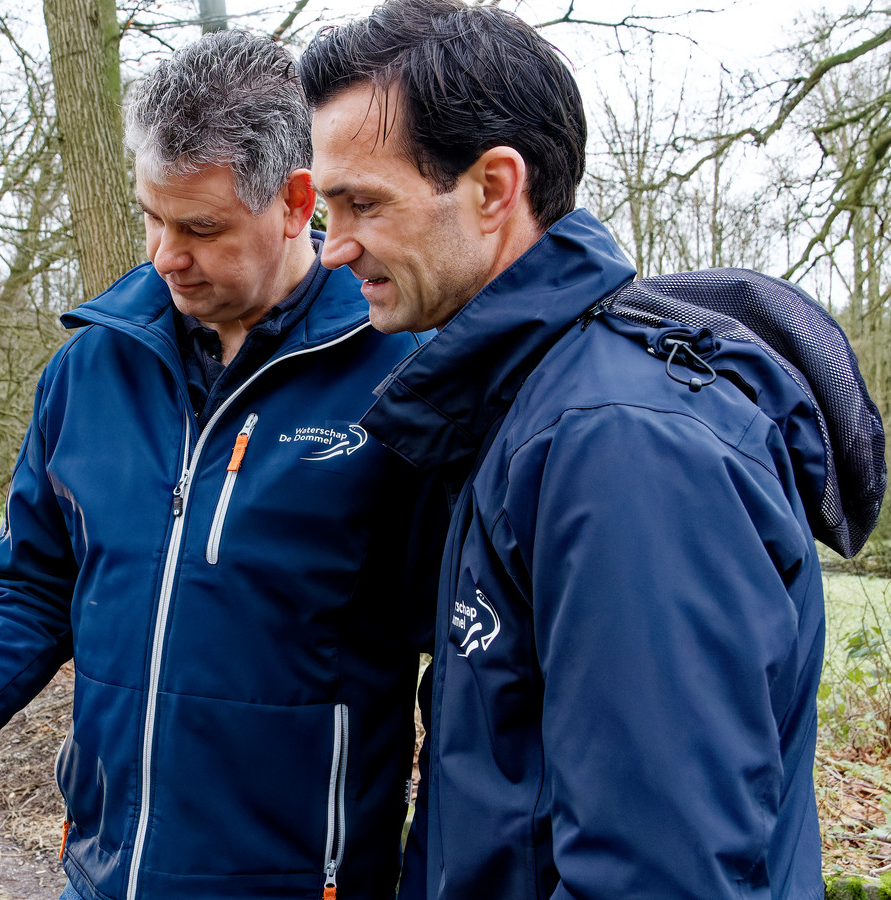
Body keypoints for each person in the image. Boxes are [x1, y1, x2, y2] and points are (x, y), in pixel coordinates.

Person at [0, 29, 437, 900]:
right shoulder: (89, 367)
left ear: (295, 203)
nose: (165, 255)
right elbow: (32, 588)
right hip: (101, 877)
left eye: (201, 227)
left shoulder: (402, 373)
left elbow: (472, 670)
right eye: (151, 216)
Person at [300, 2, 885, 898]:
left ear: (495, 188)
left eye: (363, 204)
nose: (335, 249)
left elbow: (660, 875)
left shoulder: (618, 446)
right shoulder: (521, 411)